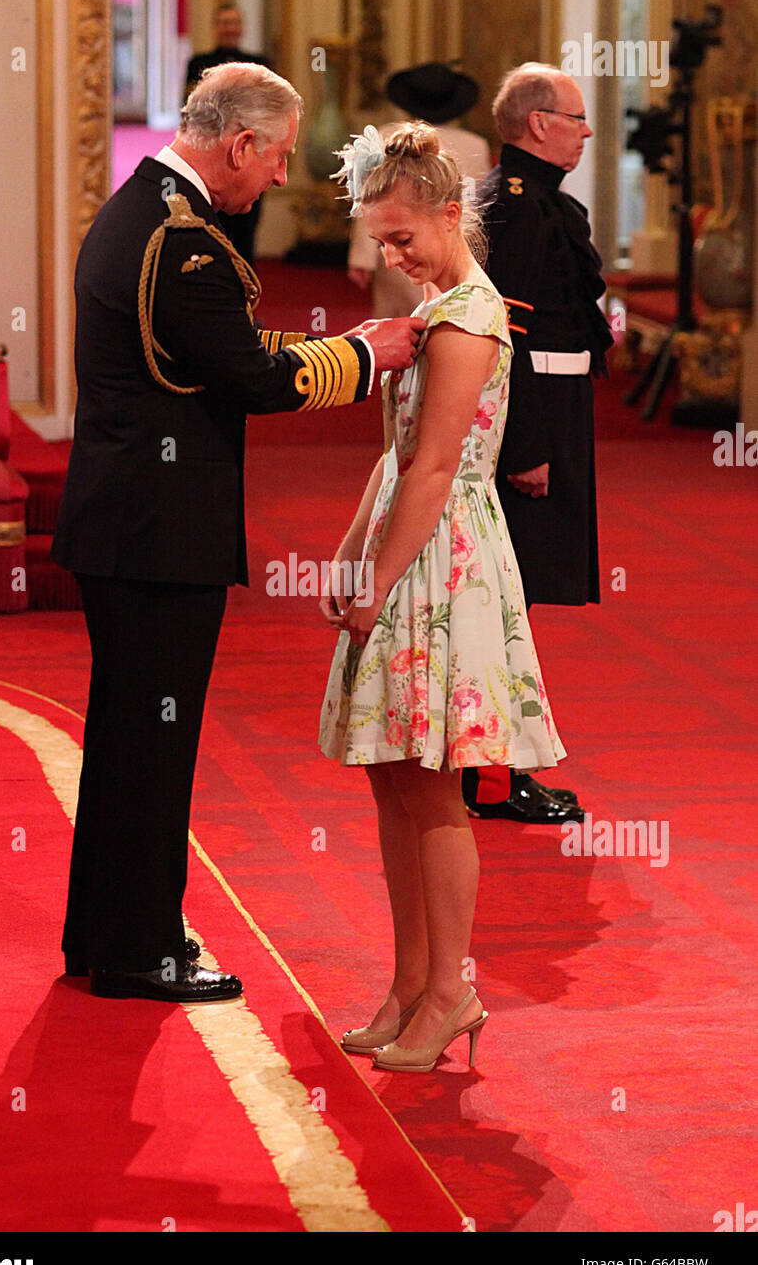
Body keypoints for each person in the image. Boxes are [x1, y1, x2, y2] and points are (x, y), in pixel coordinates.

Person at [52, 63, 425, 1004]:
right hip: (156, 530)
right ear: (240, 145)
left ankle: (106, 932)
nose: (279, 178)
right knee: (153, 742)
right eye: (279, 158)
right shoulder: (182, 242)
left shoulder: (139, 208)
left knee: (128, 734)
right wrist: (365, 353)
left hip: (126, 518)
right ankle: (141, 950)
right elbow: (254, 375)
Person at [318, 123, 565, 1072]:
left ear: (450, 213)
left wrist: (376, 584)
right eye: (379, 240)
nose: (391, 254)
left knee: (437, 789)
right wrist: (348, 555)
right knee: (394, 777)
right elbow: (392, 459)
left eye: (402, 236)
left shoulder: (470, 316)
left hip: (445, 560)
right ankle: (410, 984)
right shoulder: (433, 304)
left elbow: (432, 471)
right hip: (405, 541)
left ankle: (452, 990)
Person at [460, 63, 613, 825]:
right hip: (532, 420)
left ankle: (502, 771)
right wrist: (523, 447)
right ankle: (496, 779)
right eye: (579, 118)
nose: (589, 132)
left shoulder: (542, 202)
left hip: (556, 409)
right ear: (540, 123)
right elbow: (501, 337)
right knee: (504, 604)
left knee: (515, 604)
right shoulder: (513, 209)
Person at [347, 62, 491, 317]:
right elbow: (474, 206)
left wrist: (362, 256)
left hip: (395, 247)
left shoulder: (385, 136)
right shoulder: (476, 144)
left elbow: (367, 202)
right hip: (449, 248)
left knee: (395, 325)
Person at [184, 4, 271, 264]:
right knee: (213, 232)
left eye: (234, 22)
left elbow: (267, 112)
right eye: (224, 22)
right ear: (215, 27)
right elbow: (190, 109)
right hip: (211, 158)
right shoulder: (198, 64)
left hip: (250, 158)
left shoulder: (260, 65)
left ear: (241, 27)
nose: (229, 28)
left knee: (246, 235)